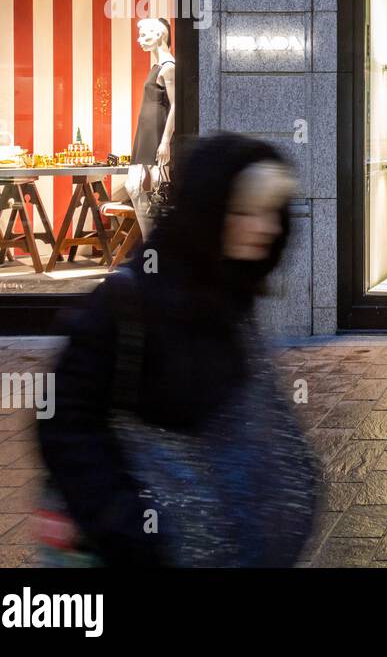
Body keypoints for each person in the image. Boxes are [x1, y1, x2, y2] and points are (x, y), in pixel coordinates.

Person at [37, 134, 320, 566]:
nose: (265, 227)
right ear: (209, 212)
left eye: (270, 213)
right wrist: (129, 527)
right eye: (244, 213)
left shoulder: (230, 295)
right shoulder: (128, 301)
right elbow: (63, 422)